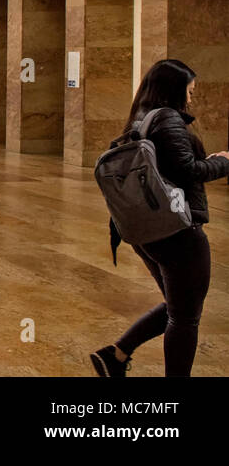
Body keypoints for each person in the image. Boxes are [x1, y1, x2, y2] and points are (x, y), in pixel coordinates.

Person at [91, 59, 229, 377]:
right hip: (178, 229)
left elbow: (167, 168)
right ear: (174, 90)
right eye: (189, 92)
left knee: (179, 304)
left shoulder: (142, 118)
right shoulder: (168, 120)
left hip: (148, 230)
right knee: (185, 317)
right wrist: (222, 162)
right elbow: (188, 170)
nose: (191, 99)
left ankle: (117, 354)